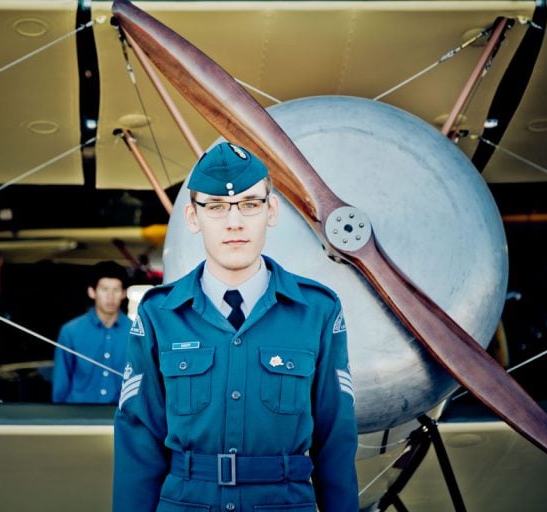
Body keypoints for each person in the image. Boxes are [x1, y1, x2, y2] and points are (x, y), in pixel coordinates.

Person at [113, 141, 358, 511]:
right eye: (215, 207)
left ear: (271, 210)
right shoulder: (158, 314)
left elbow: (336, 440)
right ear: (192, 217)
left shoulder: (317, 311)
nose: (234, 222)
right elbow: (138, 442)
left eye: (249, 204)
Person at [52, 260, 131, 403]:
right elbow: (60, 386)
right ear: (92, 291)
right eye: (104, 289)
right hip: (78, 419)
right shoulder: (70, 332)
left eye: (116, 289)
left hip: (122, 420)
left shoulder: (136, 333)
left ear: (124, 293)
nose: (110, 296)